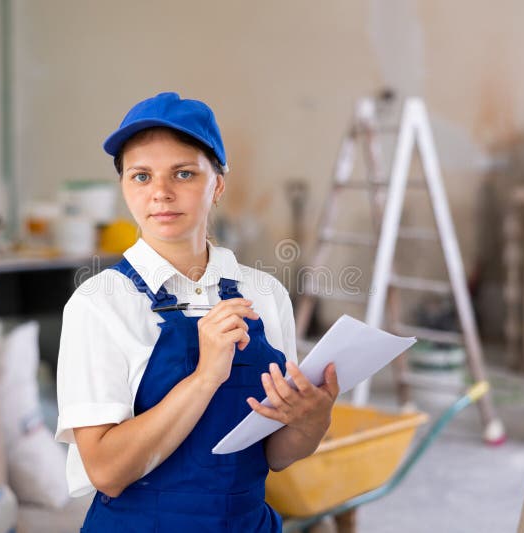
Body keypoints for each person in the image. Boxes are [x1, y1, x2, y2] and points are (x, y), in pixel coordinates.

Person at [55, 92, 339, 532]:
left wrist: (313, 420)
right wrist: (206, 376)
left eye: (183, 173)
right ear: (124, 188)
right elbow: (107, 472)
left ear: (218, 185)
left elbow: (276, 455)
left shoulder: (264, 294)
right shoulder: (100, 304)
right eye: (141, 176)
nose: (161, 193)